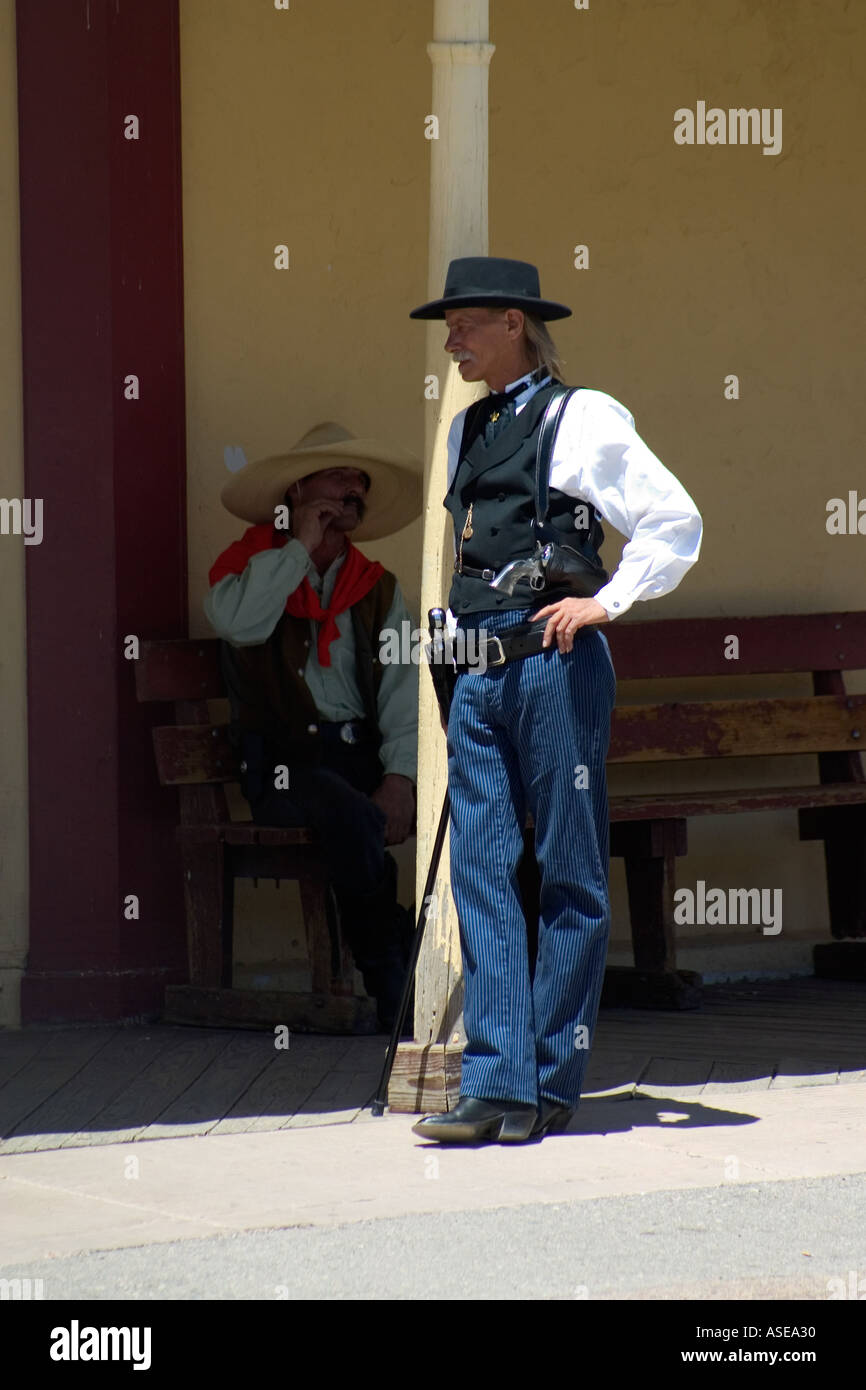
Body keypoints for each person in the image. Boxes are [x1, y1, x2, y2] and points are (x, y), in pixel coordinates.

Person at [408, 257, 703, 1143]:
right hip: (477, 672)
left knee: (569, 873)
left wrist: (605, 602)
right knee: (483, 871)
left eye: (466, 324)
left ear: (513, 324)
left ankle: (550, 1081)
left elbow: (674, 520)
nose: (452, 340)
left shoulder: (583, 415)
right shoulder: (465, 428)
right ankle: (497, 1086)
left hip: (555, 663)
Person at [204, 422, 422, 1031]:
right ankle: (389, 970)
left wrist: (401, 779)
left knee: (487, 801)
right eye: (339, 475)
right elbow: (240, 624)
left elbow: (404, 694)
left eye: (360, 482)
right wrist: (297, 547)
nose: (353, 489)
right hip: (280, 766)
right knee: (344, 807)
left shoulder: (378, 589)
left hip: (360, 762)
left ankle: (503, 979)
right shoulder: (250, 564)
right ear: (298, 489)